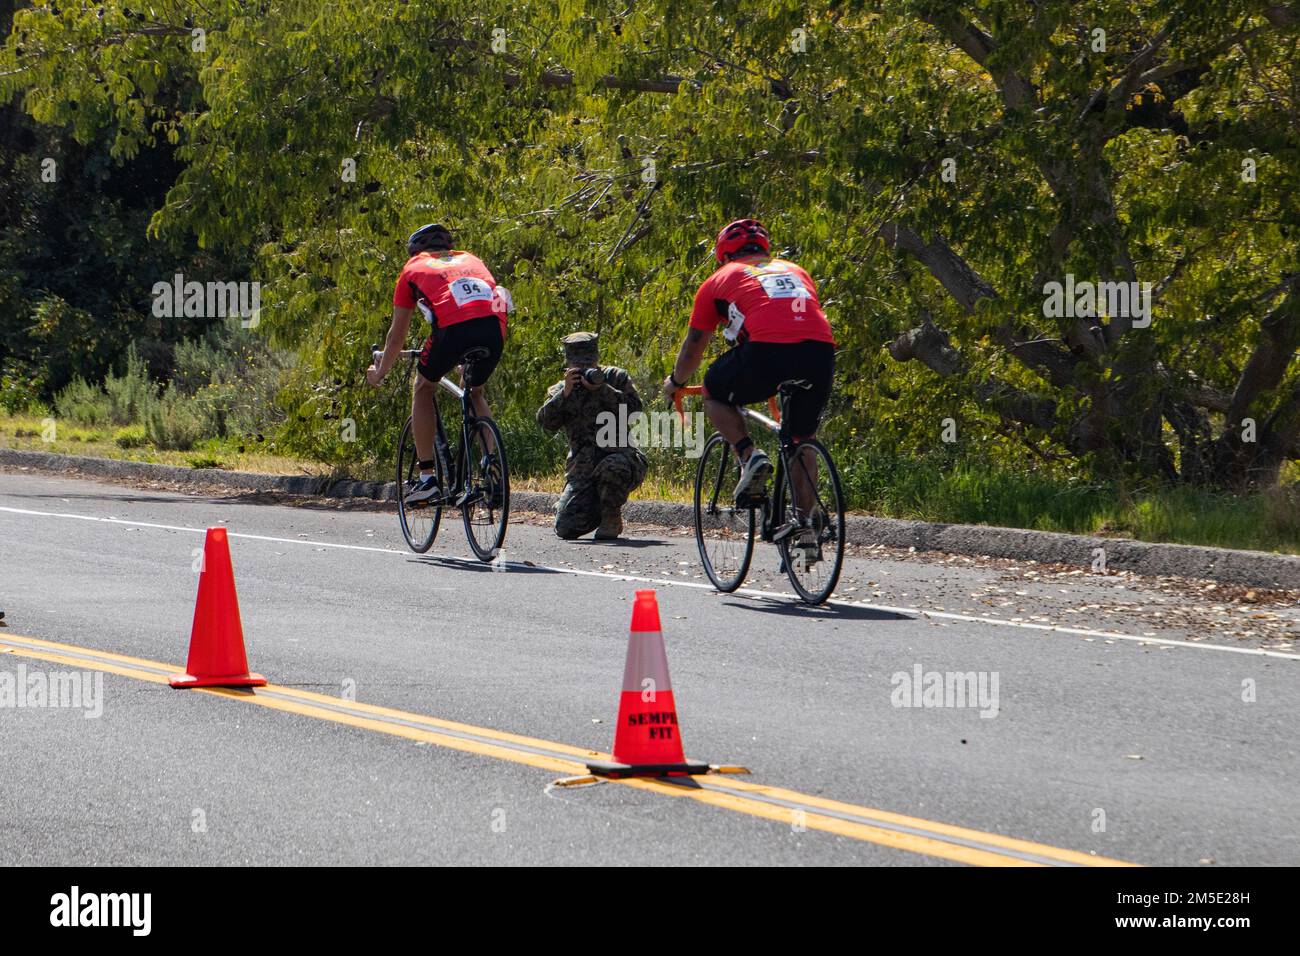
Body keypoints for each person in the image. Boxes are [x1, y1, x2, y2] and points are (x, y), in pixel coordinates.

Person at [661, 218, 835, 542]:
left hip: (768, 351)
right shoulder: (795, 270)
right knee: (801, 439)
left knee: (714, 391)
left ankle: (749, 456)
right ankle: (806, 533)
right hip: (820, 353)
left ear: (723, 254)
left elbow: (693, 348)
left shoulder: (719, 279)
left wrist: (675, 381)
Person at [367, 223, 510, 504]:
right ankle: (491, 463)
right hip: (494, 330)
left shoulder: (412, 268)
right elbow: (487, 304)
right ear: (447, 247)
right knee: (475, 391)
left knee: (423, 387)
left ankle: (427, 479)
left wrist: (380, 372)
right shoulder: (471, 259)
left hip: (454, 331)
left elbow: (396, 339)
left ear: (415, 251)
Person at [537, 332, 647, 540]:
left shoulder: (616, 377)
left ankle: (611, 517)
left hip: (621, 458)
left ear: (597, 358)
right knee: (566, 528)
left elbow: (635, 412)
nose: (585, 370)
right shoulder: (562, 389)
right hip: (582, 469)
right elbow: (546, 422)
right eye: (579, 366)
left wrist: (602, 389)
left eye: (589, 365)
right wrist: (565, 394)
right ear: (569, 365)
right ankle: (592, 505)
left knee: (611, 468)